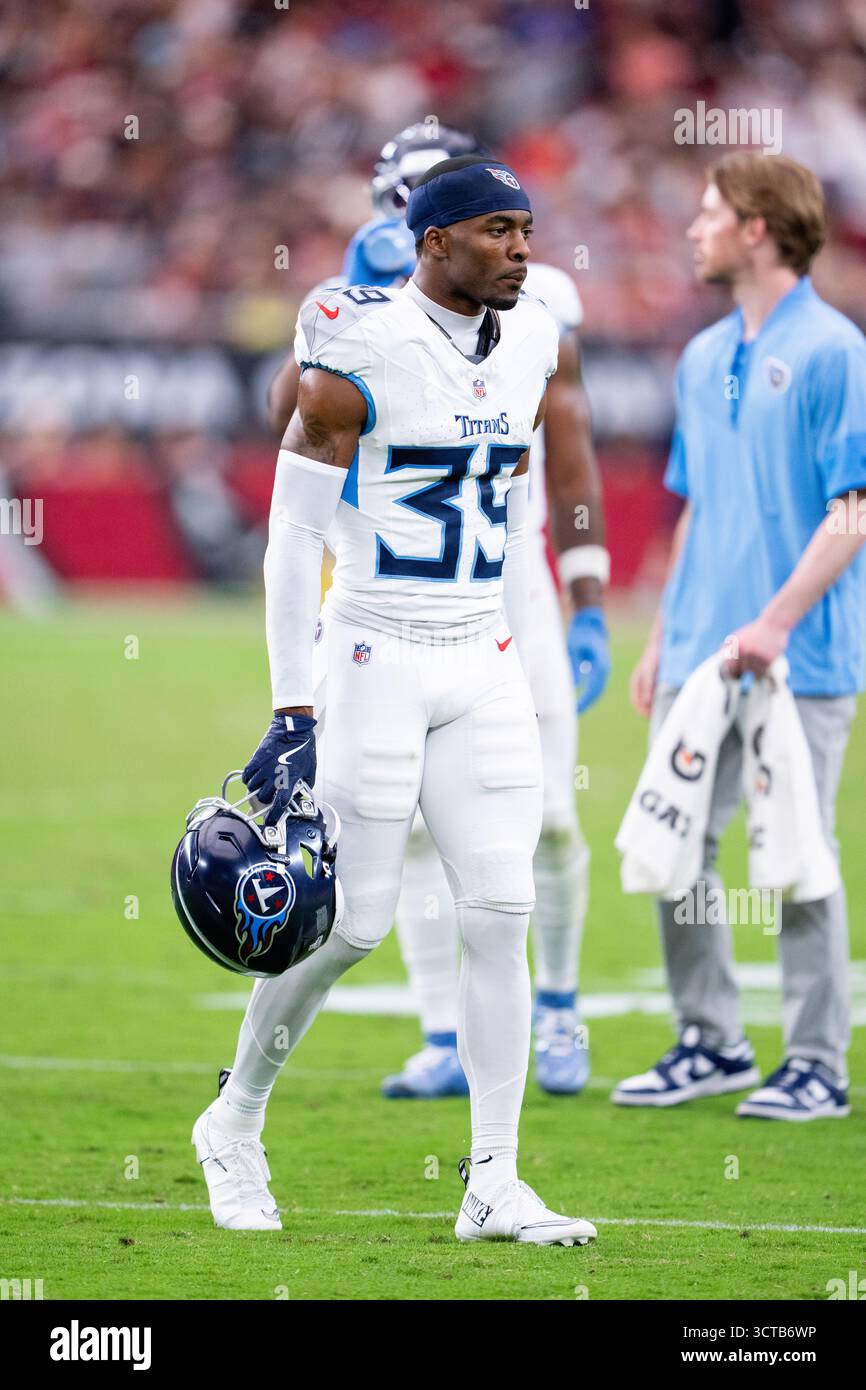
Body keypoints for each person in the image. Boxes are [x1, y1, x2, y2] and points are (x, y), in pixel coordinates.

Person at [193, 154, 597, 1245]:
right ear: (433, 242)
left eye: (526, 228)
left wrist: (527, 621)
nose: (521, 248)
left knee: (500, 908)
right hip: (372, 648)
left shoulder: (531, 340)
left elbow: (511, 501)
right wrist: (291, 705)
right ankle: (232, 1121)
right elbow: (291, 533)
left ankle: (493, 1179)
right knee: (355, 920)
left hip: (479, 656)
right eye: (498, 230)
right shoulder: (356, 343)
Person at [268, 125, 609, 1099]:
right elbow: (283, 428)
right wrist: (330, 313)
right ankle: (441, 1034)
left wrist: (585, 587)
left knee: (544, 816)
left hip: (510, 589)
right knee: (406, 838)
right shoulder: (359, 308)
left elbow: (573, 439)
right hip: (393, 599)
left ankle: (558, 1012)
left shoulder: (535, 307)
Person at [613, 153, 866, 1120]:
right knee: (674, 844)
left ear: (758, 227)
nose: (695, 229)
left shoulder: (835, 349)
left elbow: (852, 508)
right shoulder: (699, 354)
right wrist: (661, 638)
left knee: (799, 849)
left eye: (711, 213)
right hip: (698, 655)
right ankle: (709, 1040)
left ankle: (817, 1065)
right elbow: (697, 508)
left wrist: (775, 621)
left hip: (801, 656)